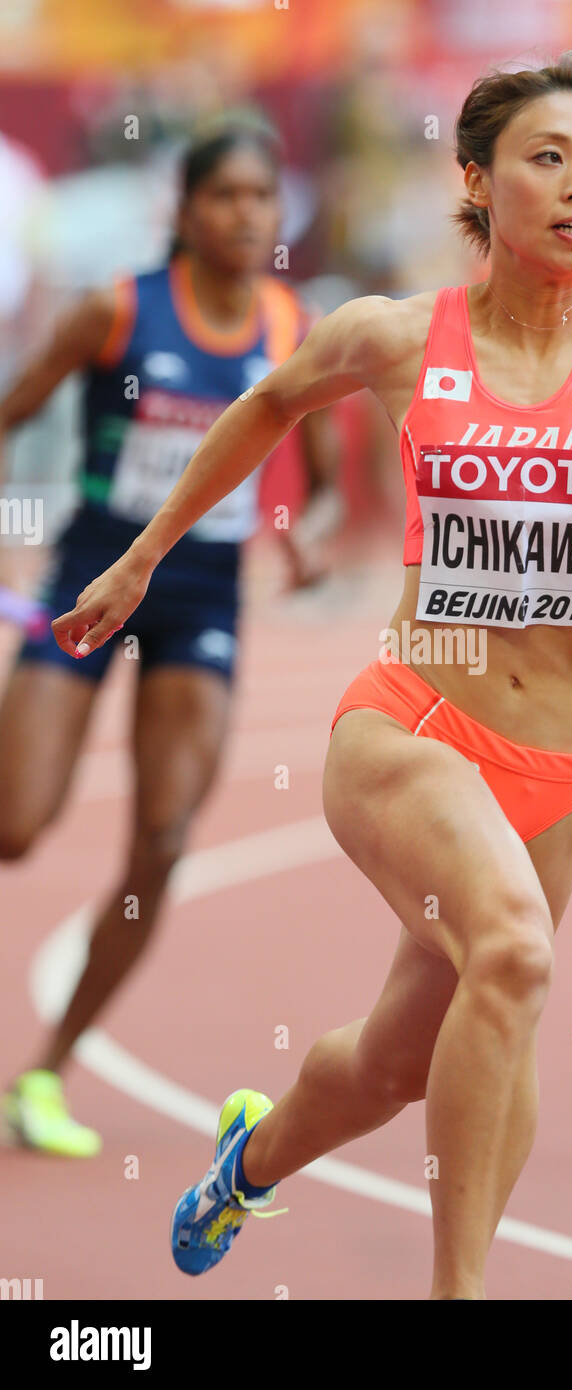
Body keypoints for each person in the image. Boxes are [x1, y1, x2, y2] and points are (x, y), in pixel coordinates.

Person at [47, 51, 572, 1298]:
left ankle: (248, 1160)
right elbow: (270, 403)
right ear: (478, 181)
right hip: (412, 722)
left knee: (394, 1062)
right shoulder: (397, 336)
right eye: (547, 158)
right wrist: (142, 559)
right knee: (516, 955)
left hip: (558, 774)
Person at [0, 123, 338, 1157]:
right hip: (89, 586)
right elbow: (11, 412)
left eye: (262, 199)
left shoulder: (291, 328)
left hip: (200, 603)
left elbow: (318, 485)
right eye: (226, 196)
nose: (247, 216)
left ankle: (48, 1071)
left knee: (163, 842)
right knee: (15, 826)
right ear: (184, 211)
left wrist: (301, 541)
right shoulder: (115, 310)